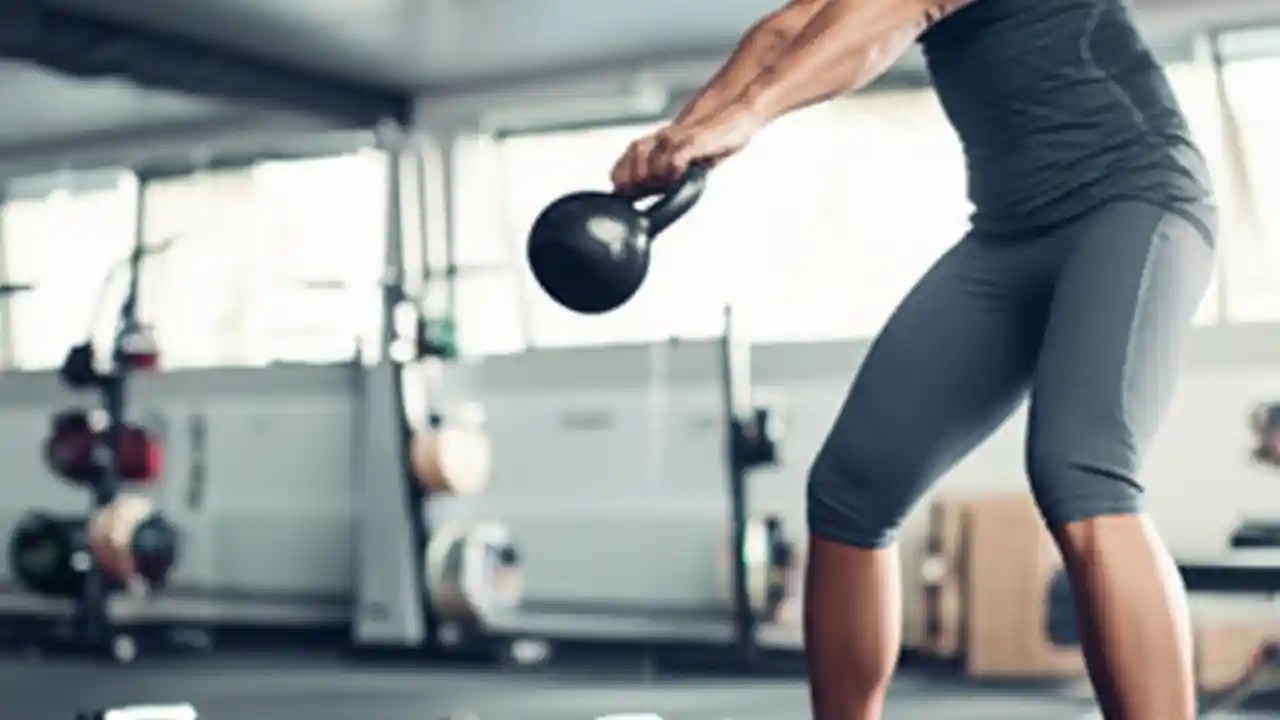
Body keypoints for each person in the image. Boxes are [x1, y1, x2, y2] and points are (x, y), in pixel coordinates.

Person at [609, 0, 1216, 718]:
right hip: (1009, 236)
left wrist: (749, 112)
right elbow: (785, 29)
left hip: (1134, 198)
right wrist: (684, 137)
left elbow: (891, 19)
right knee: (850, 490)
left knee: (1080, 472)